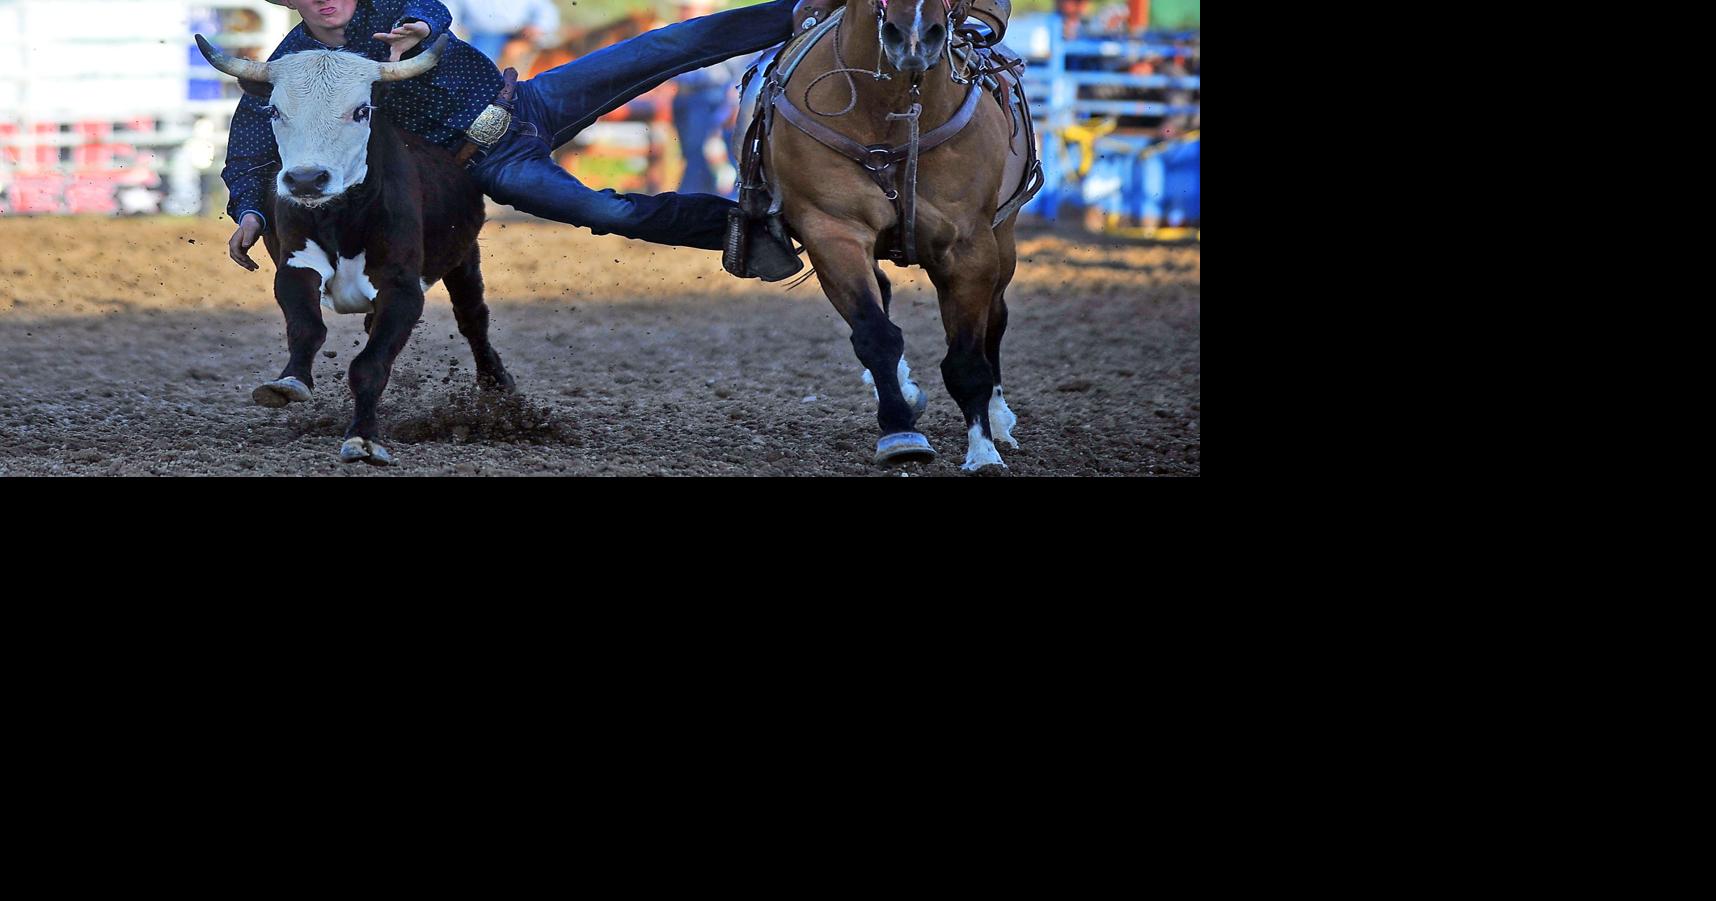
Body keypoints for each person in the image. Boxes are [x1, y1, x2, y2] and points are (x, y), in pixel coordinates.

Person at [223, 0, 800, 280]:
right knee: (601, 208)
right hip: (486, 161)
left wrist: (425, 28)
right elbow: (253, 139)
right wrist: (248, 208)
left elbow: (431, 8)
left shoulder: (392, 7)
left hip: (525, 101)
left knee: (666, 46)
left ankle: (804, 8)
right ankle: (746, 227)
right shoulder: (294, 65)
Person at [440, 0, 559, 68]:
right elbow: (450, 13)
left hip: (520, 33)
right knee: (481, 63)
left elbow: (545, 9)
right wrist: (453, 35)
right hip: (483, 35)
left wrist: (539, 26)